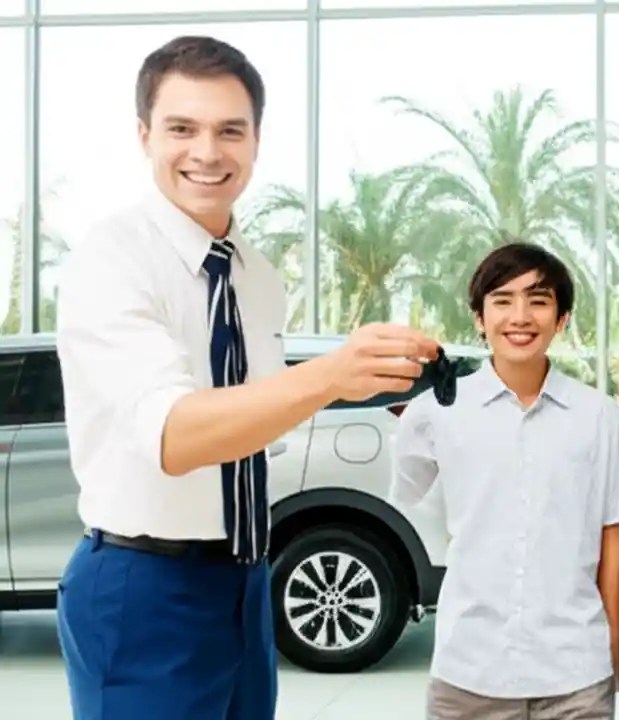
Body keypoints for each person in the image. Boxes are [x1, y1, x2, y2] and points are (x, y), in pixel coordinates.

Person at [53, 36, 438, 720]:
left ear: (257, 141)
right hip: (142, 583)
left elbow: (256, 418)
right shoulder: (110, 261)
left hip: (245, 579)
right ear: (144, 135)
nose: (207, 152)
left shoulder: (256, 277)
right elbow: (173, 434)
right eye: (182, 128)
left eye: (230, 130)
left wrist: (365, 388)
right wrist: (326, 377)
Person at [393, 242, 619, 720]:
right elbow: (406, 496)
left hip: (575, 673)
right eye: (502, 300)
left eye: (539, 300)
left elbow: (613, 536)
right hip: (469, 670)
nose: (520, 316)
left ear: (562, 318)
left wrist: (611, 648)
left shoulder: (598, 415)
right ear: (480, 318)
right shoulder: (437, 411)